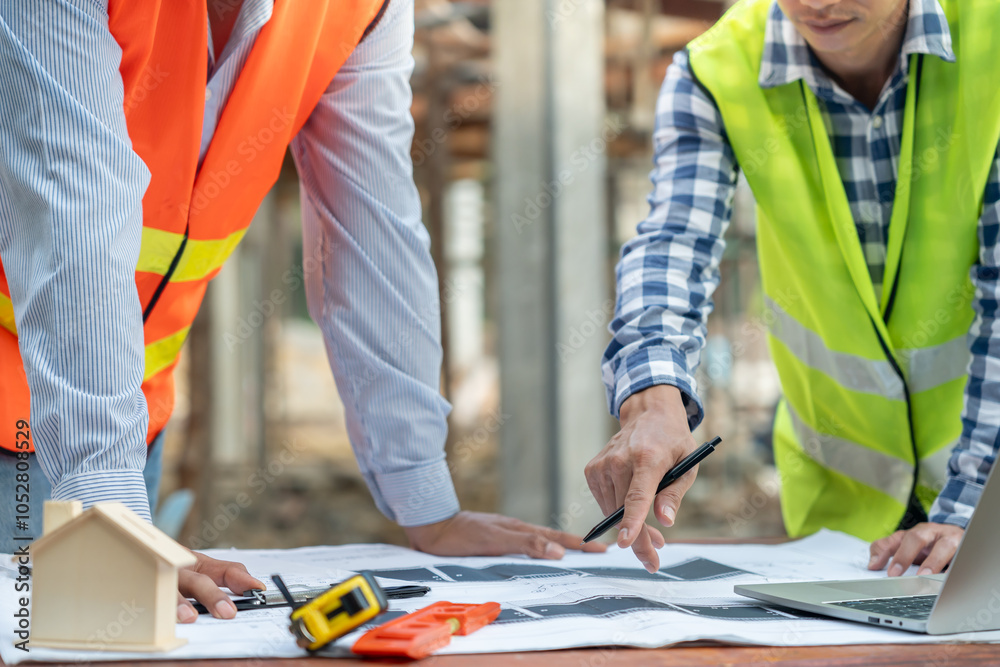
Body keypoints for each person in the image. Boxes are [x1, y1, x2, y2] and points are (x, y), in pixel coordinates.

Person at [0, 0, 603, 623]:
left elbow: (371, 230)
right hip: (72, 435)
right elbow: (70, 213)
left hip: (118, 423)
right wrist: (108, 510)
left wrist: (425, 501)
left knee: (119, 636)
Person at [586, 0, 999, 576]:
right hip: (845, 519)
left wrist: (973, 509)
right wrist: (653, 401)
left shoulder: (991, 38)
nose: (816, 4)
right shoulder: (716, 68)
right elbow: (675, 241)